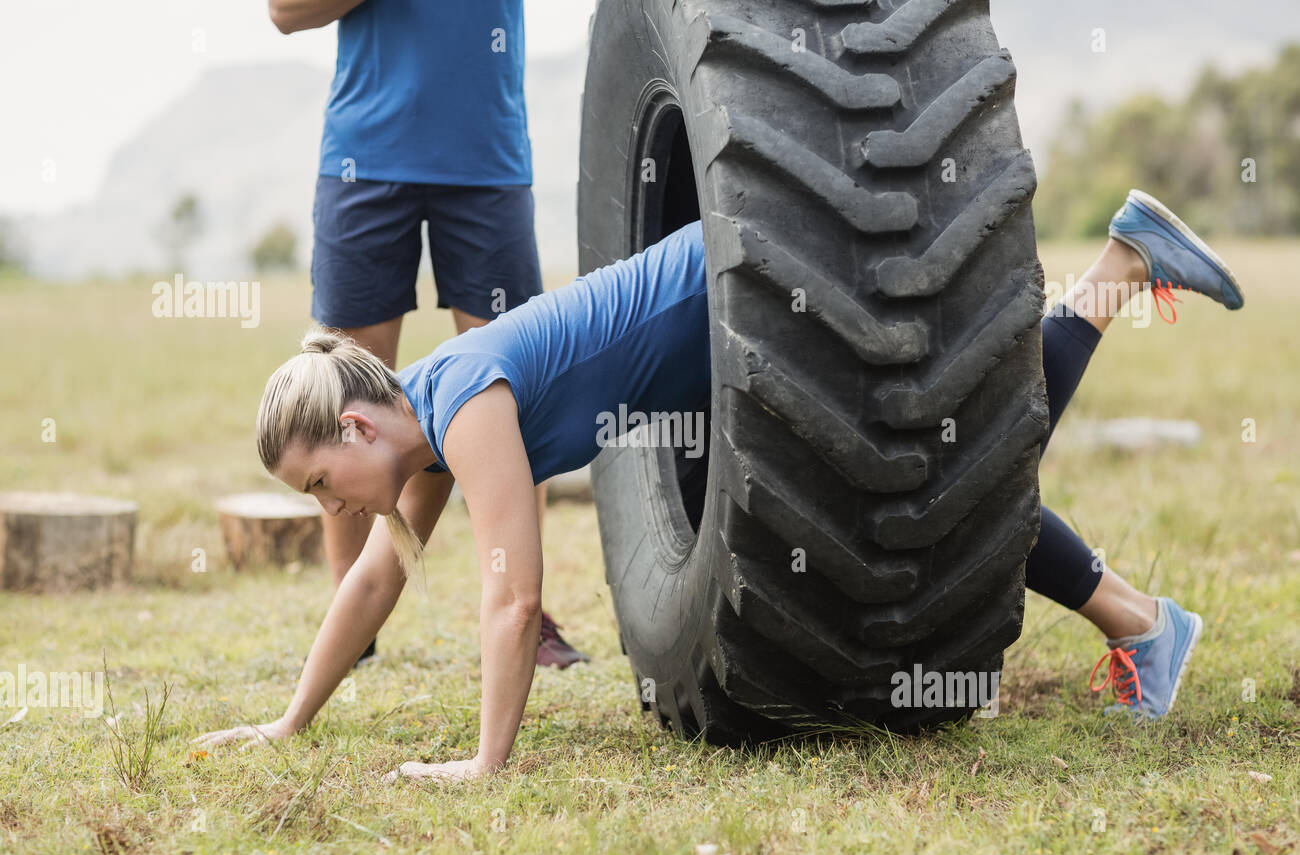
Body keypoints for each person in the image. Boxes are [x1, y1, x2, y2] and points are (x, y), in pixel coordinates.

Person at [192, 189, 1244, 778]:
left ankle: (1143, 609)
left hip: (766, 280)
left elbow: (511, 597)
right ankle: (1141, 610)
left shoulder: (464, 404)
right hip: (744, 299)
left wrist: (485, 762)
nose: (335, 508)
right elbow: (376, 582)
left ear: (358, 422)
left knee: (953, 470)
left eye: (325, 481)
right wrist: (290, 721)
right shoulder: (421, 433)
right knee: (952, 469)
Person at [267, 0, 585, 668]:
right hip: (365, 156)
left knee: (516, 392)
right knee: (339, 403)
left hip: (488, 158)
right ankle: (352, 633)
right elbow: (285, 11)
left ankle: (527, 615)